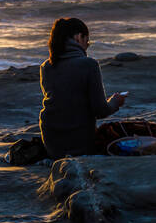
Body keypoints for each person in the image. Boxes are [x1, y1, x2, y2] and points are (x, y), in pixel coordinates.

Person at [39, 17, 125, 159]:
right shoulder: (88, 64)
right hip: (80, 144)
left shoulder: (46, 67)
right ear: (78, 37)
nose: (87, 46)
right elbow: (101, 110)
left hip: (51, 143)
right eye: (87, 41)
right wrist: (116, 101)